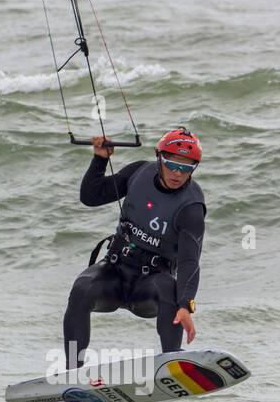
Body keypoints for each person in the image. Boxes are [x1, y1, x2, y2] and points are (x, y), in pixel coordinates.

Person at [63, 127, 206, 370]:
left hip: (148, 287)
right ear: (159, 156)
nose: (177, 173)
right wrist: (100, 159)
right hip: (114, 272)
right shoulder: (139, 172)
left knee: (169, 291)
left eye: (186, 167)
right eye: (172, 163)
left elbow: (189, 262)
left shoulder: (191, 207)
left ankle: (172, 366)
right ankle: (72, 371)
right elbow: (91, 196)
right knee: (82, 288)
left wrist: (186, 305)